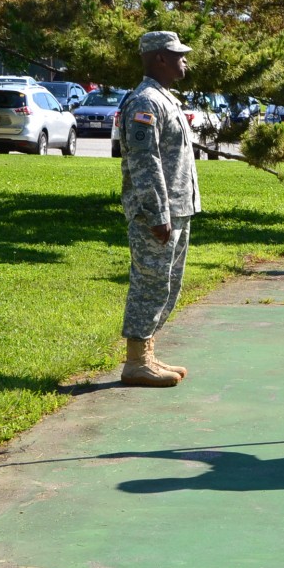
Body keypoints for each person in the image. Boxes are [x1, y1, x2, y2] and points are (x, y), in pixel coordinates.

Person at [117, 31, 201, 387]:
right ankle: (136, 362)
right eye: (177, 54)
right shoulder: (145, 102)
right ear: (159, 59)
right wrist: (157, 213)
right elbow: (144, 161)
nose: (185, 60)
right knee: (150, 284)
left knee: (168, 284)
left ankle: (147, 351)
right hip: (158, 212)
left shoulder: (164, 98)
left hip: (178, 207)